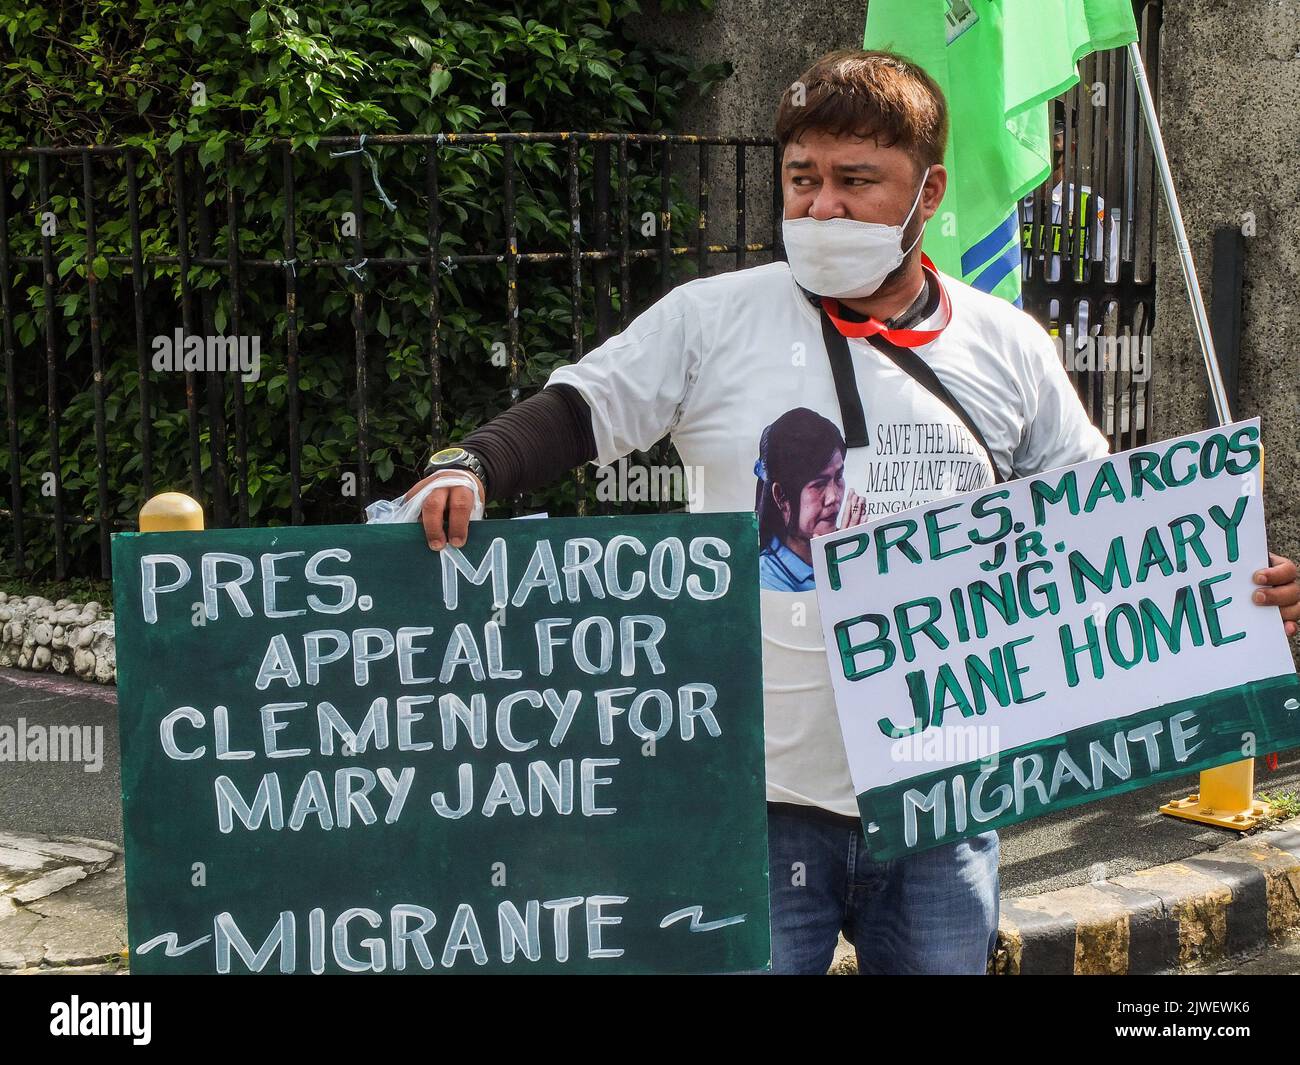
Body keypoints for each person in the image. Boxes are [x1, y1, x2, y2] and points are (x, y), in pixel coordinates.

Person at [404, 49, 1300, 974]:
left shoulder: (1010, 347)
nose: (822, 207)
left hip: (942, 805)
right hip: (755, 802)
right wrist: (470, 464)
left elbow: (1105, 538)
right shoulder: (711, 320)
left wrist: (1243, 602)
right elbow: (580, 410)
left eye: (856, 180)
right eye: (803, 180)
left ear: (930, 190)